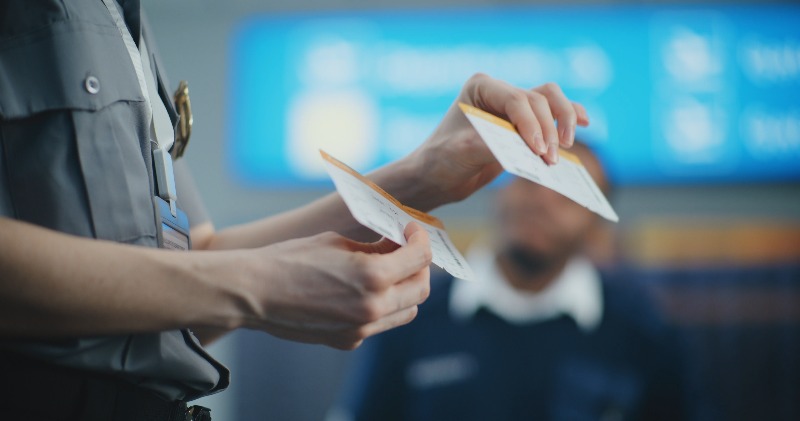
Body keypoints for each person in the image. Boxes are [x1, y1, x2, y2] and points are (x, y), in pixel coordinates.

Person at [0, 0, 589, 419]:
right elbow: (218, 278)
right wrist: (256, 285)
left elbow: (192, 270)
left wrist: (424, 174)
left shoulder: (125, 25)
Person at [330, 142, 691, 421]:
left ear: (596, 227)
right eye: (531, 178)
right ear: (502, 189)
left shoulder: (643, 332)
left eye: (570, 194)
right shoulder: (411, 314)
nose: (542, 201)